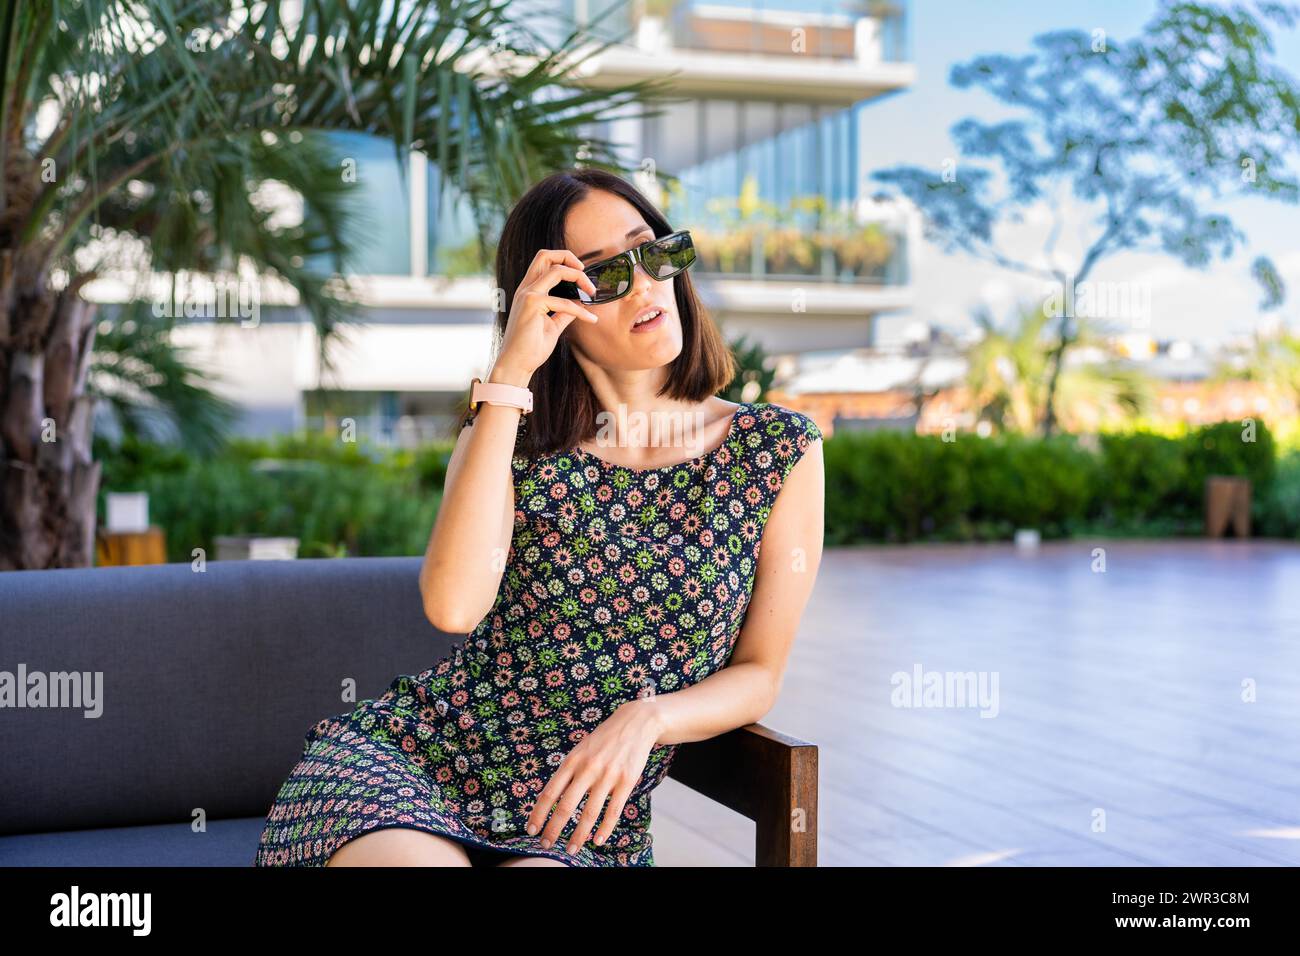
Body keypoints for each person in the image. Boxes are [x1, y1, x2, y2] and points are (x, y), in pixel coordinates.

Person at [253, 167, 824, 867]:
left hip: (580, 820)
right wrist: (511, 372)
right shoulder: (513, 437)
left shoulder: (777, 450)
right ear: (552, 305)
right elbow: (454, 605)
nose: (645, 286)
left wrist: (650, 717)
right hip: (409, 770)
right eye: (604, 277)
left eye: (653, 252)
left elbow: (761, 670)